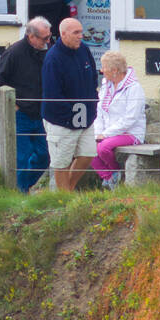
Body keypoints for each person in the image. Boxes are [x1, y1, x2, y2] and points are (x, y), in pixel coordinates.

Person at [0, 17, 52, 191]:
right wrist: (11, 105)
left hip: (40, 113)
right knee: (21, 157)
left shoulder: (46, 50)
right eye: (44, 38)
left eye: (49, 37)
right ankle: (18, 193)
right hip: (20, 113)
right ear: (31, 37)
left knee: (44, 156)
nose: (48, 41)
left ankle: (22, 187)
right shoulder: (14, 52)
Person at [41, 16, 99, 191]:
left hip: (85, 117)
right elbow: (53, 94)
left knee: (88, 154)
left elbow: (93, 78)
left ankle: (68, 190)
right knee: (62, 162)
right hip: (61, 120)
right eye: (76, 33)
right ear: (63, 34)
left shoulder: (85, 50)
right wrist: (70, 116)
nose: (81, 36)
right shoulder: (53, 58)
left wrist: (92, 108)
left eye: (81, 32)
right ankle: (63, 199)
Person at [90, 51, 146, 188]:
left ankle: (115, 172)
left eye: (104, 67)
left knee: (103, 147)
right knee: (87, 147)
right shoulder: (106, 86)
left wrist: (106, 134)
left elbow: (130, 118)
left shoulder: (134, 88)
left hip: (131, 132)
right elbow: (100, 112)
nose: (101, 70)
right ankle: (110, 177)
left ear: (114, 70)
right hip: (109, 132)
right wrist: (98, 133)